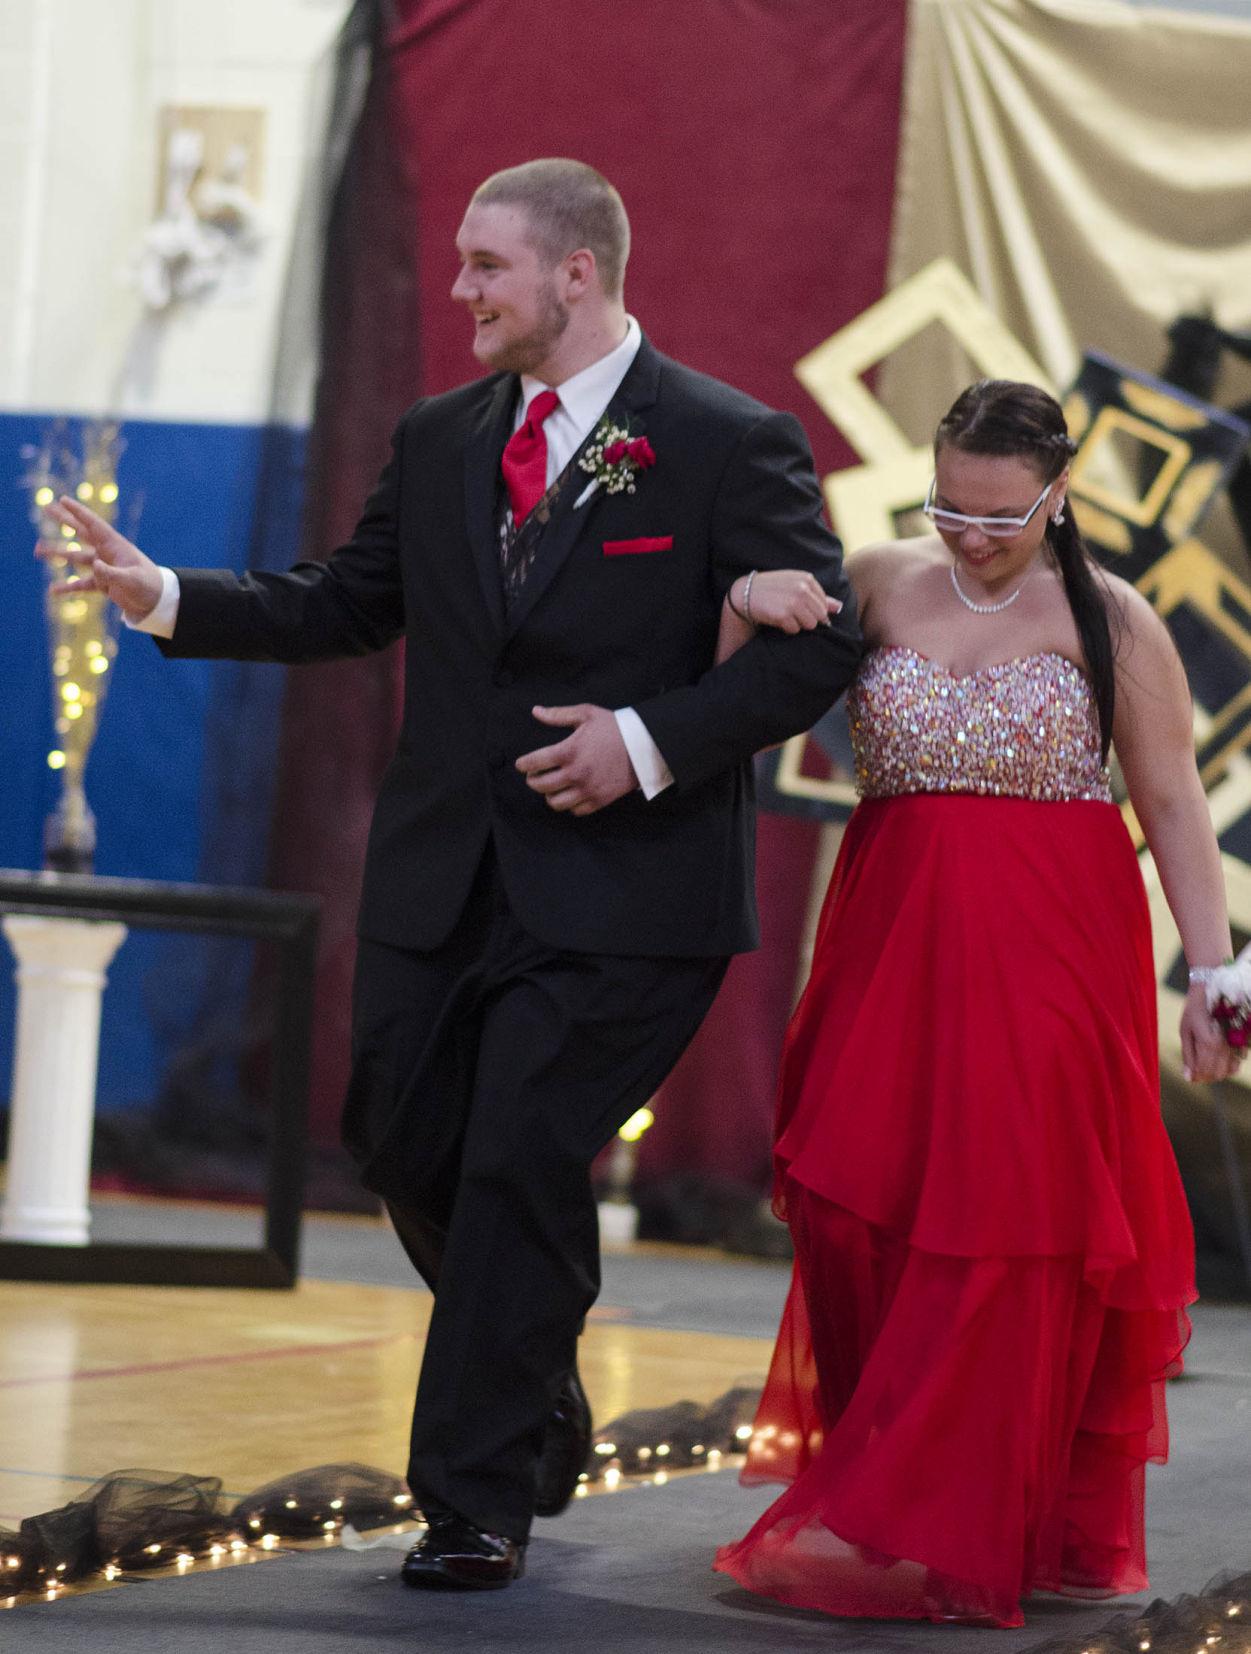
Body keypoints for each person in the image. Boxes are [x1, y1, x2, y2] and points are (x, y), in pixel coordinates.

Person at [40, 159, 862, 1591]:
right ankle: (535, 1379)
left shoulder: (729, 442)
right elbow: (350, 599)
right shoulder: (437, 438)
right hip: (444, 880)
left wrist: (645, 741)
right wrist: (165, 595)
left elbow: (813, 650)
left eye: (488, 265)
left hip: (626, 895)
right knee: (404, 1145)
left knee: (515, 1156)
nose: (463, 289)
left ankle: (472, 1501)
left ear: (577, 273)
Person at [710, 379, 1236, 1628]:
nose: (972, 531)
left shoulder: (1112, 618)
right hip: (887, 933)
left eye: (1002, 513)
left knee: (1010, 1226)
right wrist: (739, 604)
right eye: (951, 503)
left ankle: (966, 1517)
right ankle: (887, 1479)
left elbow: (1170, 806)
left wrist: (1215, 976)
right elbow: (741, 706)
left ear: (1057, 493)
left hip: (1053, 952)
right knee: (858, 1207)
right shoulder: (882, 577)